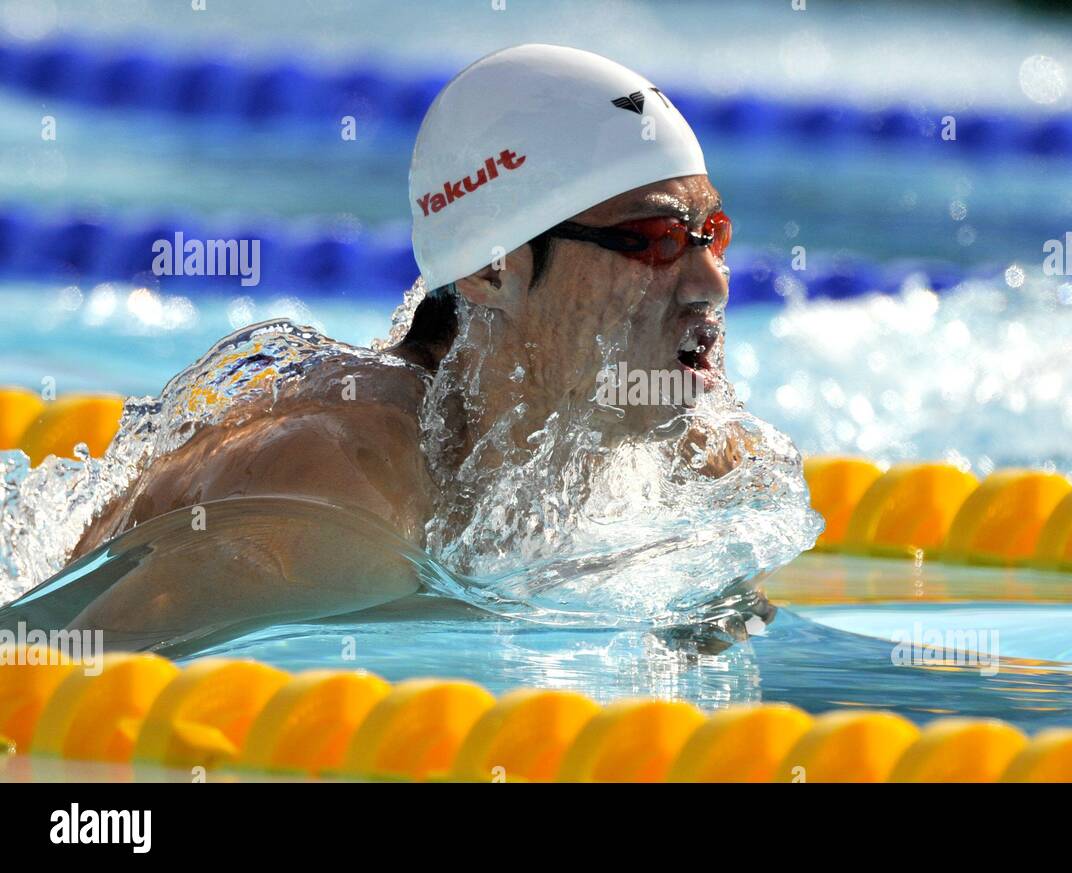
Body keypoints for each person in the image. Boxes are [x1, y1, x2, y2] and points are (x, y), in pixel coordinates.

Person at [6, 44, 748, 649]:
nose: (710, 282)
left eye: (711, 235)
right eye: (651, 242)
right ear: (494, 270)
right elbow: (44, 696)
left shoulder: (699, 467)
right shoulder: (340, 493)